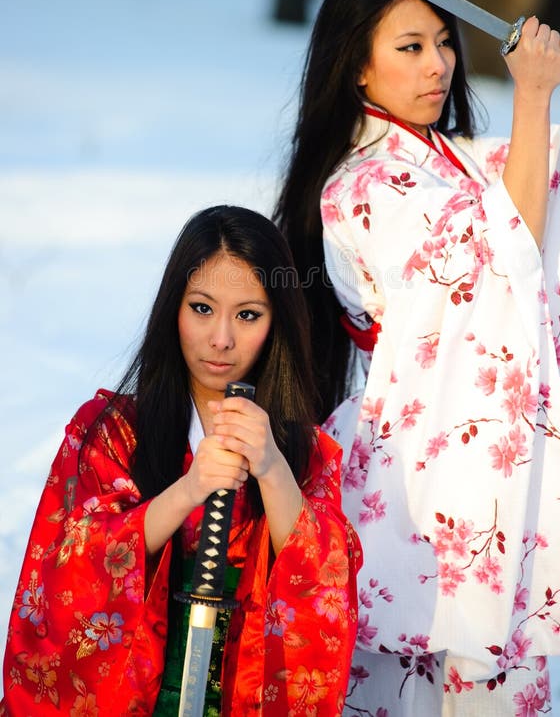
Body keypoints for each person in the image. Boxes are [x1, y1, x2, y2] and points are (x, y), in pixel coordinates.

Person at [273, 0, 560, 715]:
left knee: (487, 680)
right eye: (410, 46)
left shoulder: (448, 160)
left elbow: (559, 178)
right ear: (356, 65)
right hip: (416, 474)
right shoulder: (360, 185)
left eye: (443, 42)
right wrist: (530, 94)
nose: (438, 64)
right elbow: (502, 249)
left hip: (479, 454)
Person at [0, 205, 362, 716]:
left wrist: (274, 469)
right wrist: (189, 489)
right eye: (201, 308)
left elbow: (328, 588)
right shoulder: (110, 429)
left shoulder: (305, 453)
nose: (221, 339)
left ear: (277, 323)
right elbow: (65, 567)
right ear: (173, 307)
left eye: (248, 315)